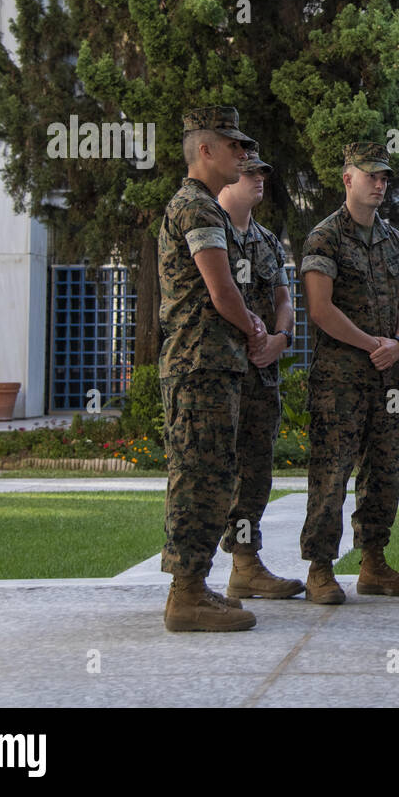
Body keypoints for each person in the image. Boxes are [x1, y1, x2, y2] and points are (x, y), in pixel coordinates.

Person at [298, 142, 399, 603]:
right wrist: (373, 344)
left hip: (386, 376)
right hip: (340, 378)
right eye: (370, 175)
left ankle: (374, 562)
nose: (379, 184)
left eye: (384, 177)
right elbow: (320, 307)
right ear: (347, 179)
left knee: (385, 470)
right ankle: (320, 568)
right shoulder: (324, 237)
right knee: (331, 472)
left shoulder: (393, 239)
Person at [158, 106, 262, 632]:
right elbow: (222, 292)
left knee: (212, 475)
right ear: (206, 150)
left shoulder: (204, 208)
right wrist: (255, 329)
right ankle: (185, 596)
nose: (243, 156)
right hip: (199, 365)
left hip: (211, 364)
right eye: (234, 146)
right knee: (199, 478)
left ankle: (195, 586)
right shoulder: (197, 210)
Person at [215, 143, 304, 600]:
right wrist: (253, 334)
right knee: (210, 467)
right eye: (251, 172)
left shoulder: (268, 241)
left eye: (262, 172)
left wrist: (280, 339)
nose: (260, 179)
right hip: (220, 369)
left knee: (256, 468)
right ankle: (188, 579)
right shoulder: (210, 229)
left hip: (261, 371)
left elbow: (284, 299)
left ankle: (245, 563)